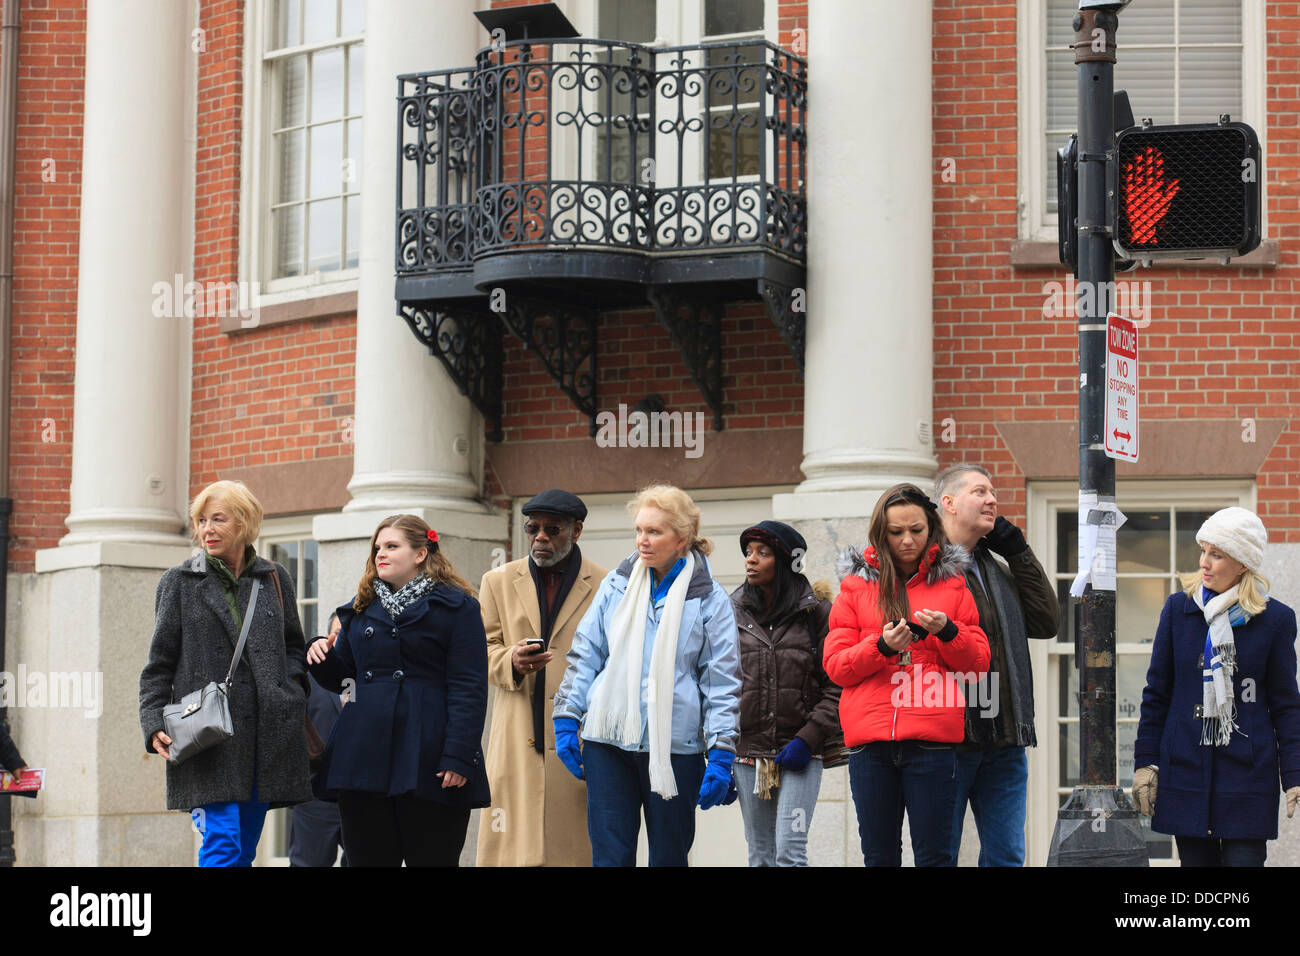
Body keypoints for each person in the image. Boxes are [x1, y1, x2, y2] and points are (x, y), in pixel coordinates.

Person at [552, 484, 741, 867]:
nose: (642, 540)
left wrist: (722, 749)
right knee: (610, 858)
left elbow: (721, 681)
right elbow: (587, 653)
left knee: (669, 859)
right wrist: (566, 716)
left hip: (675, 747)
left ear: (681, 538)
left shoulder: (709, 598)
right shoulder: (617, 583)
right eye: (639, 530)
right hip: (607, 742)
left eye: (654, 532)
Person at [139, 479, 312, 867]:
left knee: (243, 850)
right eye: (201, 521)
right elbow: (158, 664)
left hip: (264, 735)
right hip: (207, 737)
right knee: (224, 843)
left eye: (218, 519)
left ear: (245, 524)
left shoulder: (274, 578)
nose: (207, 530)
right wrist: (152, 723)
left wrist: (291, 687)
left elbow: (293, 647)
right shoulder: (179, 583)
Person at [307, 514, 489, 867]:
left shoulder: (457, 607)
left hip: (430, 753)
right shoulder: (359, 610)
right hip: (363, 755)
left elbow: (469, 686)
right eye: (378, 547)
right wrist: (321, 655)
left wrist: (458, 755)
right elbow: (347, 680)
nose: (380, 554)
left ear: (421, 553)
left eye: (392, 546)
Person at [824, 483, 989, 867]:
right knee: (879, 857)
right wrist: (881, 647)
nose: (907, 540)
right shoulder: (855, 587)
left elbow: (978, 664)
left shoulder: (952, 584)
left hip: (932, 742)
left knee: (935, 857)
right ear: (881, 534)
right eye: (895, 532)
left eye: (916, 529)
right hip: (870, 744)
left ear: (931, 527)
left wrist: (948, 632)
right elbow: (836, 666)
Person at [1132, 507, 1300, 867]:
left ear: (1242, 564)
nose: (1204, 563)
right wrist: (1146, 762)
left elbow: (1286, 705)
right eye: (1203, 551)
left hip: (1248, 776)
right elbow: (1157, 693)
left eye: (1217, 554)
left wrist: (1295, 774)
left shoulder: (1276, 620)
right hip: (1185, 771)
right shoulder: (1178, 610)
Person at [935, 463, 1059, 867]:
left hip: (1004, 735)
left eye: (993, 493)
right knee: (940, 854)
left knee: (1006, 856)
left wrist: (1020, 553)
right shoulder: (926, 570)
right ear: (948, 503)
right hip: (948, 738)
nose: (992, 500)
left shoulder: (998, 570)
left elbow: (1045, 622)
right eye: (980, 492)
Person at [476, 489, 607, 867]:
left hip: (580, 734)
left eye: (553, 530)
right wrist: (510, 661)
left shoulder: (606, 584)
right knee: (511, 851)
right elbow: (480, 652)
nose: (540, 538)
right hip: (517, 732)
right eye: (533, 528)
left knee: (575, 850)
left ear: (576, 531)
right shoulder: (497, 580)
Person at [730, 520, 841, 867]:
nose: (751, 560)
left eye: (763, 553)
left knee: (789, 851)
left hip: (801, 753)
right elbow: (721, 682)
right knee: (761, 853)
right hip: (749, 754)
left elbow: (837, 685)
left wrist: (808, 739)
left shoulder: (817, 614)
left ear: (788, 562)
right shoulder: (732, 612)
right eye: (748, 552)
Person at [289, 613, 348, 867]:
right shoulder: (308, 678)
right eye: (338, 634)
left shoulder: (374, 677)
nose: (343, 640)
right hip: (314, 798)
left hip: (364, 799)